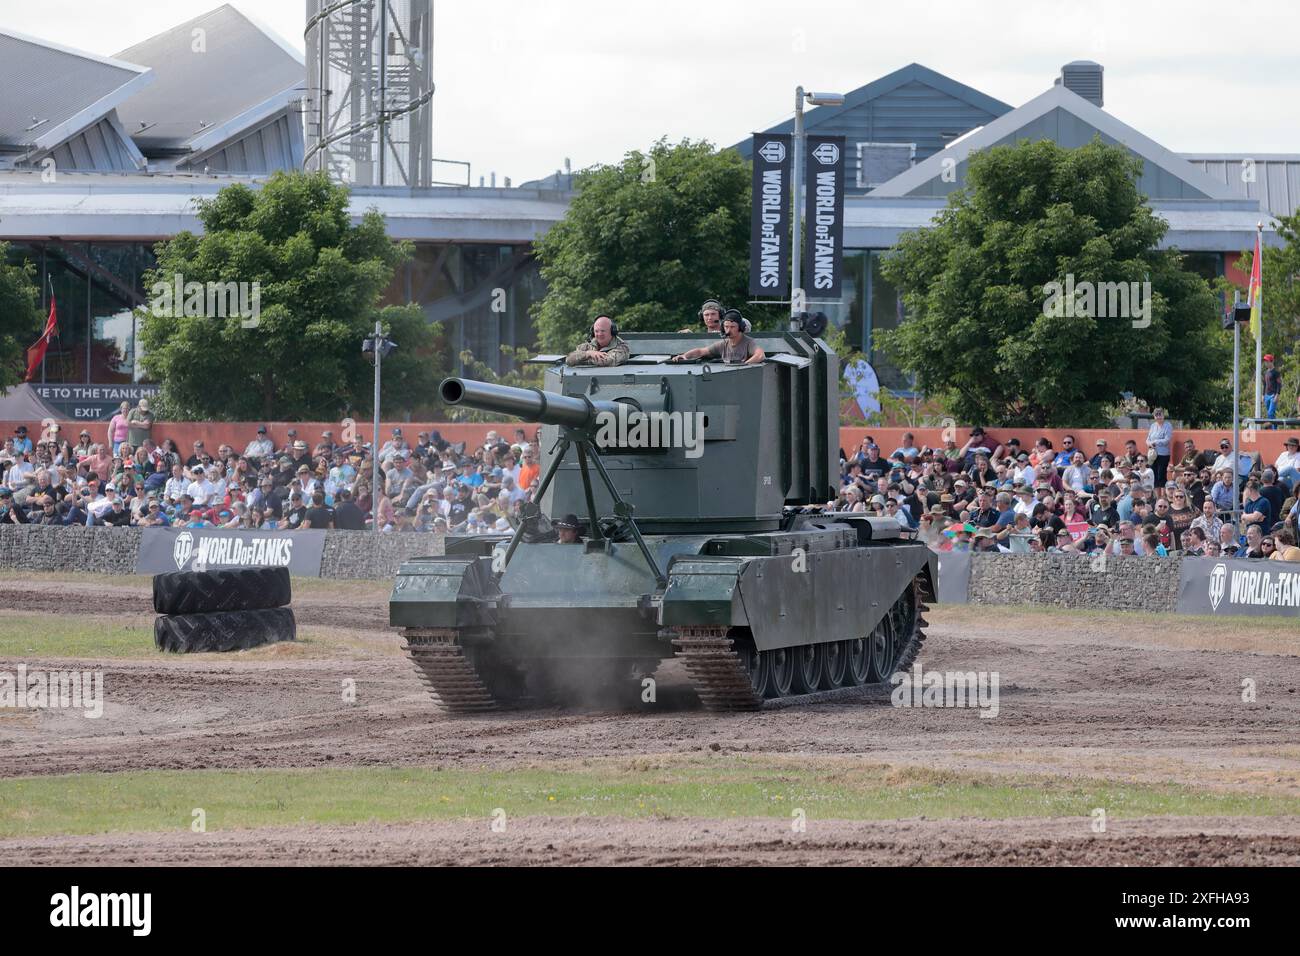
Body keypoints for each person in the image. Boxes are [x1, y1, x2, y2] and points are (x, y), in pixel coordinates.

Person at [670, 311, 765, 365]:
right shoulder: (723, 344)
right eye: (726, 327)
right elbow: (701, 351)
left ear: (740, 328)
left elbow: (760, 355)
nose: (728, 330)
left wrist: (744, 365)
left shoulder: (748, 342)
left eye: (732, 327)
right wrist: (685, 356)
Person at [1264, 354, 1281, 421]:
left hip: (1273, 395)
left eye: (1267, 361)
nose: (1266, 363)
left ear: (1271, 362)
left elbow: (1279, 384)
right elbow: (1265, 384)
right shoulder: (1266, 373)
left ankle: (1274, 430)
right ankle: (1273, 430)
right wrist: (1263, 395)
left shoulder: (1276, 373)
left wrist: (1277, 395)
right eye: (1265, 362)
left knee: (1270, 413)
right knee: (1270, 414)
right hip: (1266, 395)